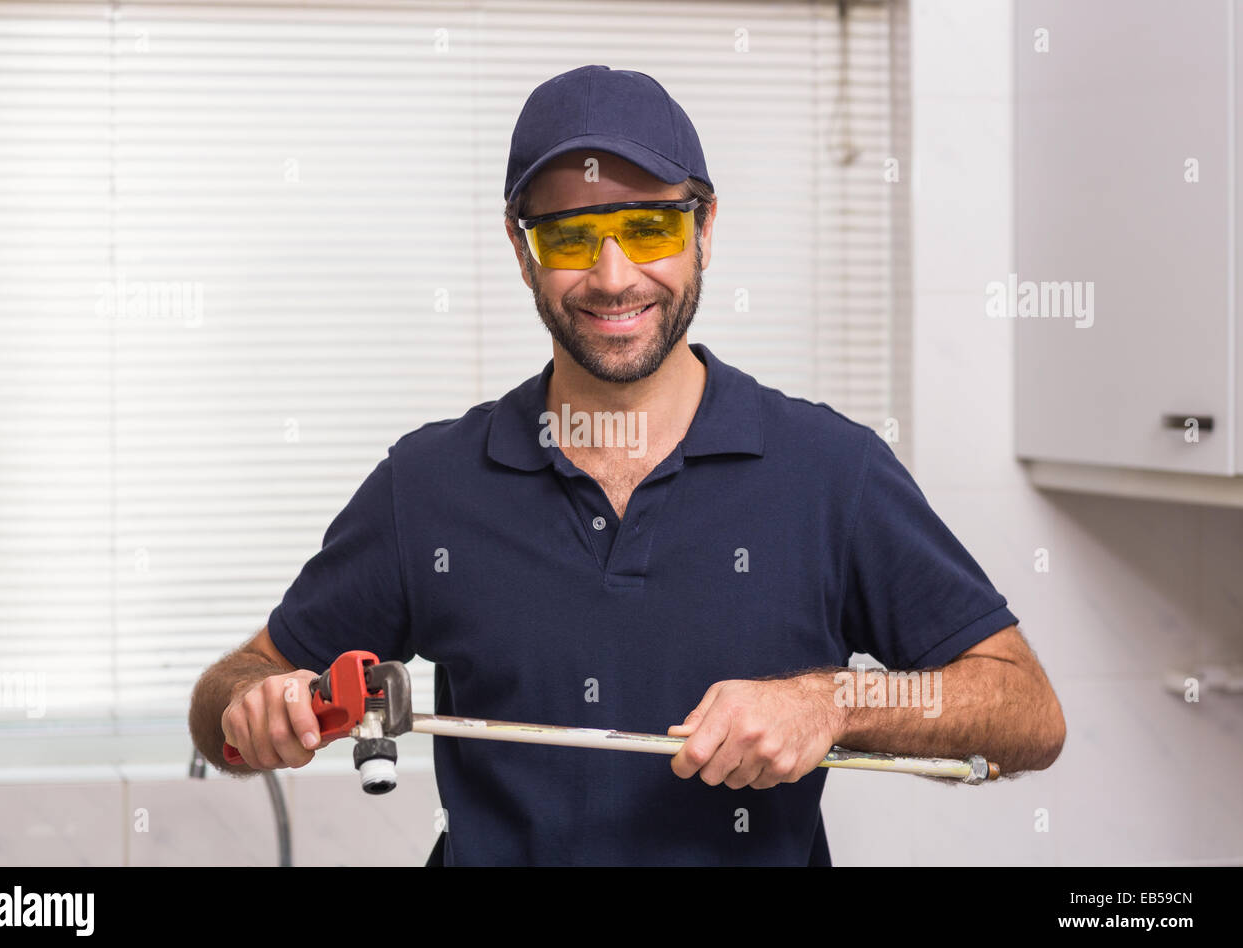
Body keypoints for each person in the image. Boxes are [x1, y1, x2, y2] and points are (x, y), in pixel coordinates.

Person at [189, 64, 1066, 866]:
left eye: (648, 227)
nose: (613, 277)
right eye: (571, 237)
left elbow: (1025, 709)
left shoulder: (832, 472)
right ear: (519, 246)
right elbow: (233, 692)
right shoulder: (427, 485)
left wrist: (832, 702)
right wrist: (251, 706)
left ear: (705, 227)